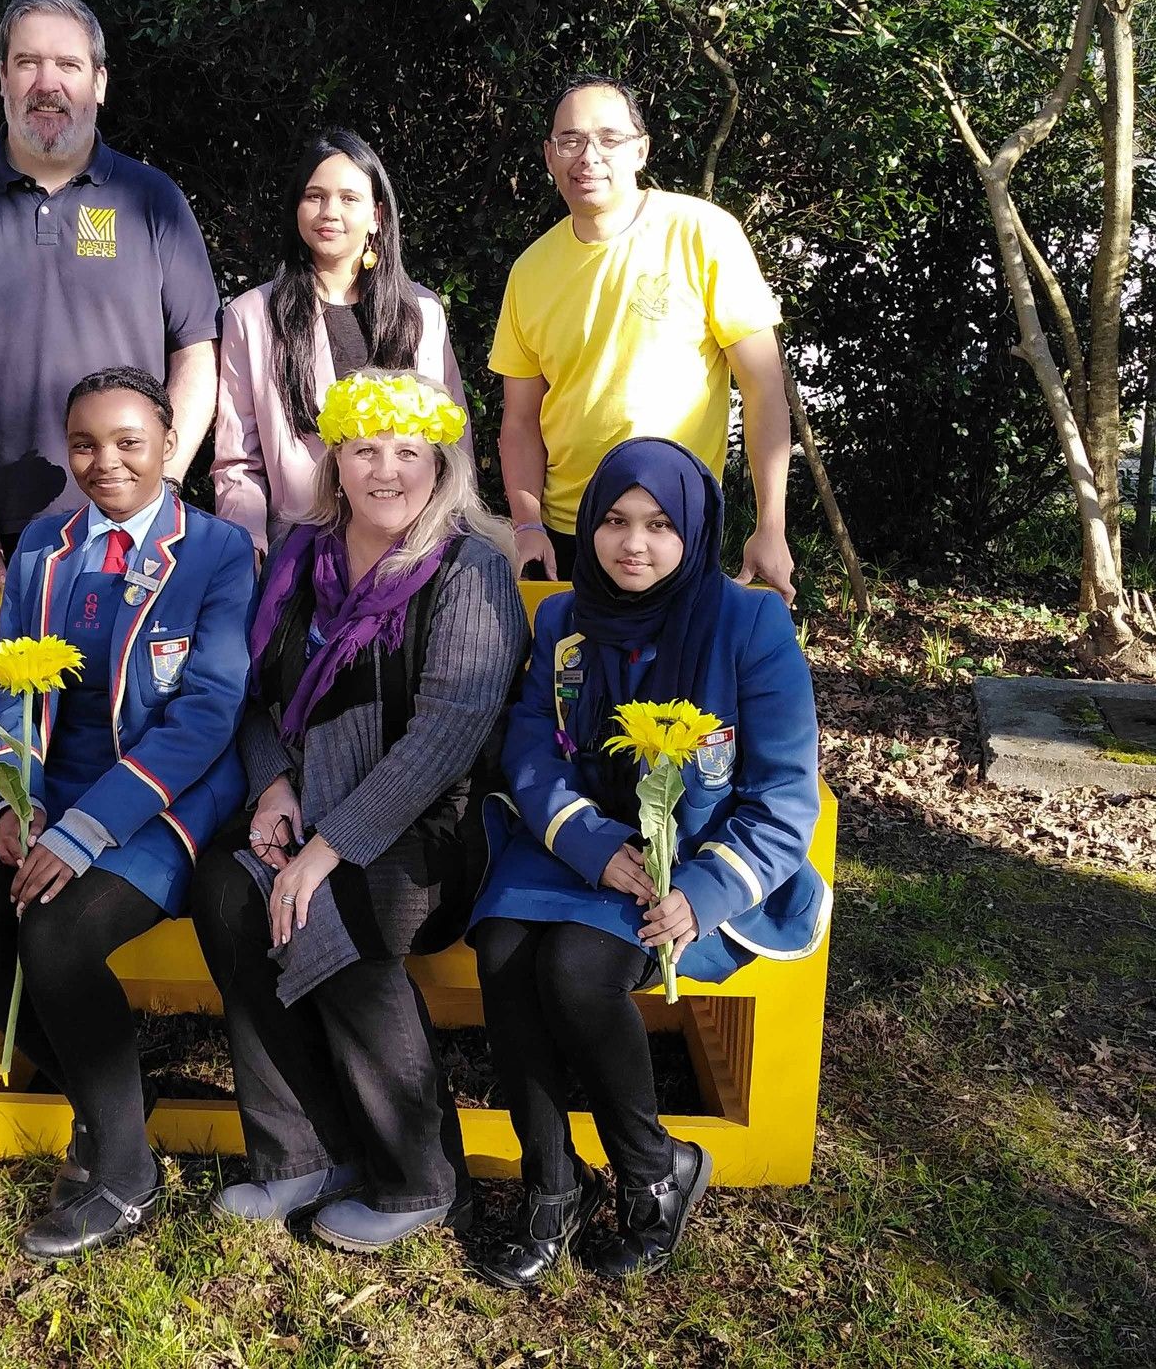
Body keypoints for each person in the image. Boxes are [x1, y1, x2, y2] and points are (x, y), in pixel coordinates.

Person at [469, 436, 828, 1287]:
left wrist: (701, 893)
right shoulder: (563, 621)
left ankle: (651, 1171)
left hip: (696, 865)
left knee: (575, 970)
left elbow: (784, 800)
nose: (634, 544)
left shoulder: (750, 625)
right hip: (581, 847)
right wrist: (594, 848)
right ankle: (552, 1183)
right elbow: (532, 753)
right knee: (502, 952)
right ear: (588, 525)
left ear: (696, 531)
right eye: (618, 521)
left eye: (661, 525)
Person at [0, 367, 253, 1262]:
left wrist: (81, 831)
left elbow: (207, 714)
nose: (104, 463)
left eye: (128, 442)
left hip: (158, 802)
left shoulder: (219, 551)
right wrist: (9, 801)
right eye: (84, 444)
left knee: (57, 934)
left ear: (168, 443)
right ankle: (110, 1093)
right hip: (47, 798)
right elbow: (11, 684)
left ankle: (124, 1168)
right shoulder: (43, 543)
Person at [190, 372, 527, 1251]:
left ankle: (419, 1177)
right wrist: (273, 786)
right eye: (365, 449)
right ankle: (303, 1152)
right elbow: (257, 699)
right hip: (310, 797)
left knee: (331, 907)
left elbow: (446, 736)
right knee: (227, 891)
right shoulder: (303, 555)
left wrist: (328, 846)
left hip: (435, 825)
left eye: (407, 452)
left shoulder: (472, 569)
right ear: (335, 458)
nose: (386, 472)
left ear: (440, 461)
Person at [0, 0, 222, 696]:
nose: (47, 82)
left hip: (132, 528)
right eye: (27, 62)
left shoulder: (153, 199)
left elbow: (197, 354)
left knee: (135, 713)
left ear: (99, 81)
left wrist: (168, 483)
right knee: (9, 731)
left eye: (67, 64)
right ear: (2, 77)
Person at [491, 74, 798, 601]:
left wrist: (771, 524)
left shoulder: (701, 232)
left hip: (673, 523)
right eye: (570, 140)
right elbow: (519, 422)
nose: (589, 156)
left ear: (641, 150)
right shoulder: (530, 270)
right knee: (572, 679)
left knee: (678, 680)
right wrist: (527, 525)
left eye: (609, 139)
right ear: (549, 155)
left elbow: (764, 388)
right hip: (571, 529)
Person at [213, 129, 470, 555]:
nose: (329, 212)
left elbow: (453, 445)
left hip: (413, 547)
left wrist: (453, 537)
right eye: (314, 196)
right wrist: (248, 548)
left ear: (377, 216)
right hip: (303, 548)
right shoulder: (252, 316)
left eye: (349, 198)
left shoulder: (422, 312)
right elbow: (239, 461)